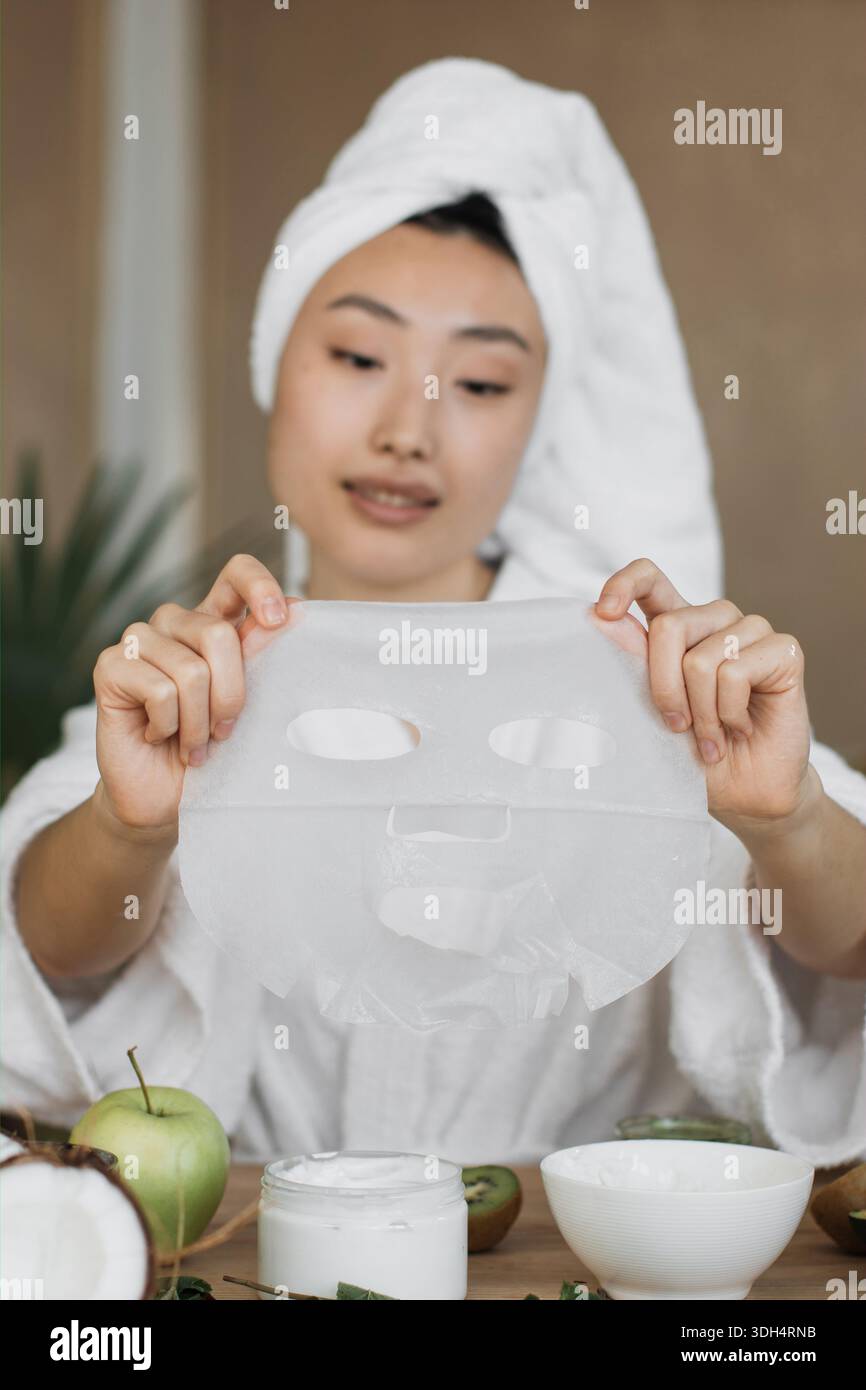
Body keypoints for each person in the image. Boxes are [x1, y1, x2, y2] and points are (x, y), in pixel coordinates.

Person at [3, 60, 864, 1167]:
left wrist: (781, 819)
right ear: (278, 362)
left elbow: (849, 956)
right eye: (360, 356)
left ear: (537, 422)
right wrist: (131, 828)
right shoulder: (198, 675)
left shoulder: (647, 678)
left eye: (481, 384)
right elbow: (37, 958)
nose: (409, 429)